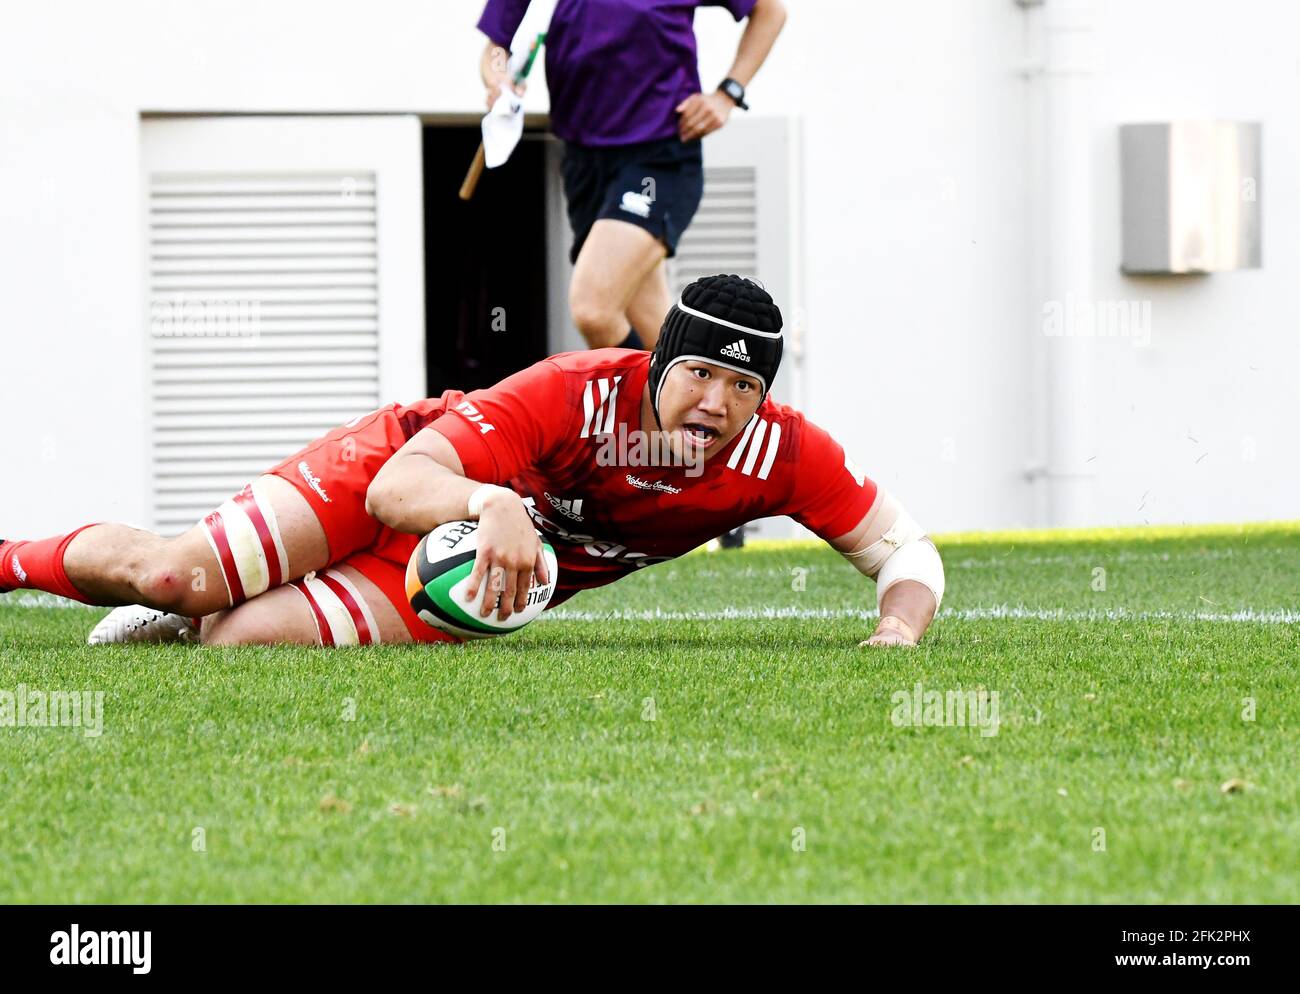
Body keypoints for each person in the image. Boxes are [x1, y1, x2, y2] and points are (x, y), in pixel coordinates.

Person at [0, 275, 944, 649]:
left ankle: (192, 617)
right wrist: (498, 503)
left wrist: (898, 633)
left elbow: (908, 554)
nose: (716, 404)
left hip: (467, 568)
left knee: (234, 644)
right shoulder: (571, 390)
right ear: (660, 360)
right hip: (401, 470)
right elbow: (398, 487)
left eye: (742, 388)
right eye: (698, 373)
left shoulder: (782, 451)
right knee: (174, 571)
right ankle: (16, 561)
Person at [477, 0, 787, 352]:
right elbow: (495, 47)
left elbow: (770, 10)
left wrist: (728, 93)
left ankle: (638, 405)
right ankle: (684, 401)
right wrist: (497, 77)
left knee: (594, 309)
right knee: (659, 333)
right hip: (582, 159)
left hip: (656, 156)